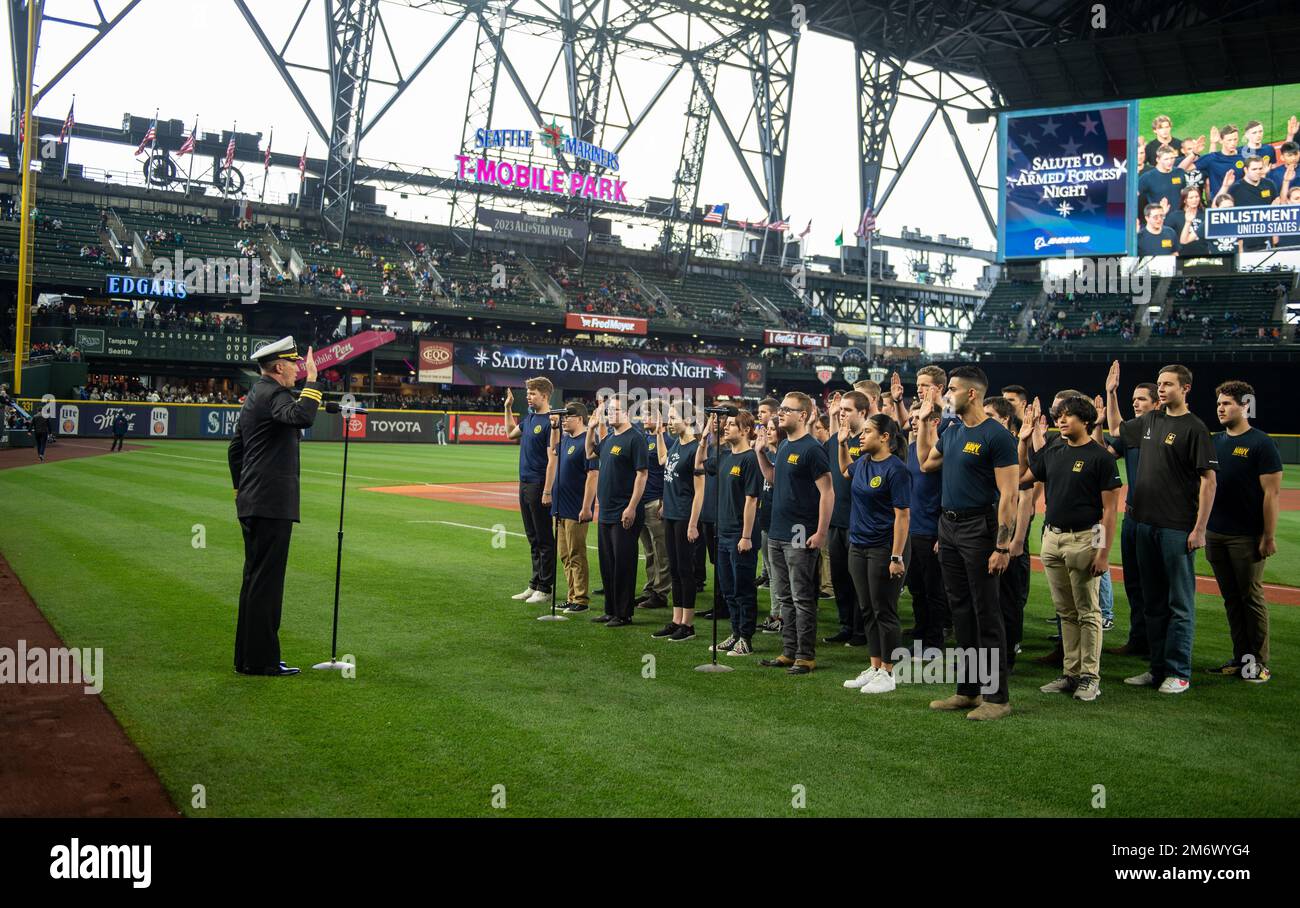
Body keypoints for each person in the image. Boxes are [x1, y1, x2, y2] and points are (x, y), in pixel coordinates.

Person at [1106, 361, 1217, 694]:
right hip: (1144, 525)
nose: (1162, 388)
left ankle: (1179, 672)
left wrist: (1199, 529)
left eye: (1168, 384)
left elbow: (1209, 481)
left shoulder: (1195, 428)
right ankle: (1157, 669)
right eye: (1160, 383)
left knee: (1179, 603)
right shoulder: (1151, 420)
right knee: (1153, 602)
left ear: (1185, 388)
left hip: (1175, 527)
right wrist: (1111, 393)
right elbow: (1117, 429)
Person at [916, 365, 1018, 720]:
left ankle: (997, 698)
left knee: (986, 612)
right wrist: (925, 423)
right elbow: (925, 463)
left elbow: (1009, 495)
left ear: (971, 393)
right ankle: (968, 691)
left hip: (979, 528)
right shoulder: (953, 430)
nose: (947, 396)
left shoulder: (997, 436)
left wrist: (1002, 547)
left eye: (952, 390)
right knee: (960, 611)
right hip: (949, 526)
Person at [227, 337, 321, 676]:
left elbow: (235, 449)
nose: (298, 369)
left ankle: (248, 658)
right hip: (271, 503)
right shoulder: (276, 394)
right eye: (293, 364)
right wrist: (313, 382)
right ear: (279, 366)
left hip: (254, 501)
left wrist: (240, 490)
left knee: (254, 581)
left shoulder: (256, 393)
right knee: (266, 583)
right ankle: (262, 661)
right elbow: (302, 416)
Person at [1020, 395, 1121, 702]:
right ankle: (1070, 673)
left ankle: (1090, 677)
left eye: (1068, 415)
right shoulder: (1054, 449)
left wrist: (1102, 553)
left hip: (1085, 538)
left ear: (1085, 420)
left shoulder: (1100, 457)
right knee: (1065, 612)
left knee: (1088, 612)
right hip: (1052, 538)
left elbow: (1109, 511)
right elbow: (1023, 478)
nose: (1061, 420)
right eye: (1059, 416)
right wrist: (1023, 441)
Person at [1205, 381, 1281, 683]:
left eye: (1227, 403)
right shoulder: (1215, 441)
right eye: (1219, 404)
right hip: (1215, 533)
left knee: (1250, 597)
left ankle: (1258, 662)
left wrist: (1268, 536)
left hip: (1246, 536)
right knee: (1231, 599)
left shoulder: (1261, 443)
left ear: (1245, 405)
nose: (1220, 409)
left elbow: (1271, 494)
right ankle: (1241, 659)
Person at [755, 392, 833, 675]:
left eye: (788, 409)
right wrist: (760, 453)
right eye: (781, 409)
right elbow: (774, 479)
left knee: (802, 597)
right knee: (784, 597)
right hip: (777, 531)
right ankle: (789, 652)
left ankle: (805, 656)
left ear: (804, 415)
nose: (781, 413)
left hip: (800, 532)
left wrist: (821, 532)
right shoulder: (786, 445)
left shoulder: (812, 449)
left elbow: (828, 492)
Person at [841, 413, 911, 695]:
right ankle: (874, 666)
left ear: (884, 437)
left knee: (884, 610)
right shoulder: (863, 463)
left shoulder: (896, 470)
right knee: (867, 608)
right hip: (858, 546)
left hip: (884, 548)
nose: (862, 436)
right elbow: (845, 471)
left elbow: (903, 516)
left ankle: (888, 672)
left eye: (867, 431)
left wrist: (896, 556)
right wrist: (841, 444)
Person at [704, 410, 763, 656]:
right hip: (723, 533)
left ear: (746, 430)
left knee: (743, 589)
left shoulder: (750, 459)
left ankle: (746, 638)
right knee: (728, 589)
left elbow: (752, 500)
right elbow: (699, 464)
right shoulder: (724, 456)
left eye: (731, 424)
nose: (725, 427)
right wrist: (705, 436)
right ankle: (735, 633)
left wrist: (746, 536)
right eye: (725, 424)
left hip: (740, 535)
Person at [586, 395, 648, 628]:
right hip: (607, 511)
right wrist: (591, 429)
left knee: (624, 564)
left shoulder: (636, 438)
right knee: (607, 563)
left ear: (628, 413)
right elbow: (590, 454)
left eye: (616, 410)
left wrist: (631, 507)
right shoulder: (610, 437)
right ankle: (610, 610)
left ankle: (623, 613)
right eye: (609, 410)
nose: (611, 413)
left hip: (624, 511)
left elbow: (642, 474)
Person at [983, 395, 1033, 669]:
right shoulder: (986, 445)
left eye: (990, 416)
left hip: (1008, 536)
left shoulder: (1014, 446)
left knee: (1008, 599)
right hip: (986, 531)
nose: (984, 420)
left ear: (1005, 419)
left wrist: (1016, 541)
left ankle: (1007, 655)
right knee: (987, 598)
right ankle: (987, 655)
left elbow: (1024, 498)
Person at [651, 405, 703, 641]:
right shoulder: (676, 445)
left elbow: (700, 491)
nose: (670, 422)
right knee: (674, 569)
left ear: (688, 419)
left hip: (684, 516)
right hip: (671, 514)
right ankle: (676, 620)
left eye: (673, 418)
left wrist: (693, 523)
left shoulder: (695, 449)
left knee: (685, 570)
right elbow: (663, 460)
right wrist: (659, 434)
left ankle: (688, 624)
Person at [505, 377, 555, 605]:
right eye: (528, 393)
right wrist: (508, 408)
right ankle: (534, 584)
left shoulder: (551, 422)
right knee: (533, 537)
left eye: (532, 393)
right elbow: (510, 433)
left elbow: (552, 459)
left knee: (544, 538)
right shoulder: (530, 418)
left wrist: (547, 490)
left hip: (538, 484)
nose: (528, 396)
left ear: (544, 395)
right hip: (524, 482)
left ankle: (545, 588)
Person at [824, 391, 868, 646]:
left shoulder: (868, 441)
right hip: (836, 519)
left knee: (858, 580)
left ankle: (861, 630)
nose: (842, 414)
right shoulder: (834, 441)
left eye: (848, 410)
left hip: (859, 521)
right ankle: (846, 625)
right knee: (840, 577)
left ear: (862, 412)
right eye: (841, 409)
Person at [904, 398, 948, 653]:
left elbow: (947, 493)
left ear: (935, 421)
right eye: (912, 418)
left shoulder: (942, 451)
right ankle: (920, 634)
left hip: (932, 530)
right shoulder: (912, 449)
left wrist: (943, 533)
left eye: (918, 418)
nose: (913, 422)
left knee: (934, 590)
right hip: (912, 529)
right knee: (917, 588)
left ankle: (934, 641)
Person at [549, 403, 598, 615]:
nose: (563, 420)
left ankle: (581, 599)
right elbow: (553, 450)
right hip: (560, 507)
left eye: (567, 416)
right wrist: (554, 428)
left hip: (575, 508)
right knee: (564, 555)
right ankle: (571, 596)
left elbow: (592, 476)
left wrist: (586, 507)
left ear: (579, 418)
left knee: (576, 554)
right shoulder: (566, 439)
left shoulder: (587, 441)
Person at [637, 405, 671, 611]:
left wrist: (665, 501)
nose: (644, 417)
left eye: (649, 414)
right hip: (641, 501)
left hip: (655, 501)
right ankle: (650, 589)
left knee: (661, 551)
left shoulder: (667, 440)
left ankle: (661, 592)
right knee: (649, 550)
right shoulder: (643, 438)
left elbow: (669, 474)